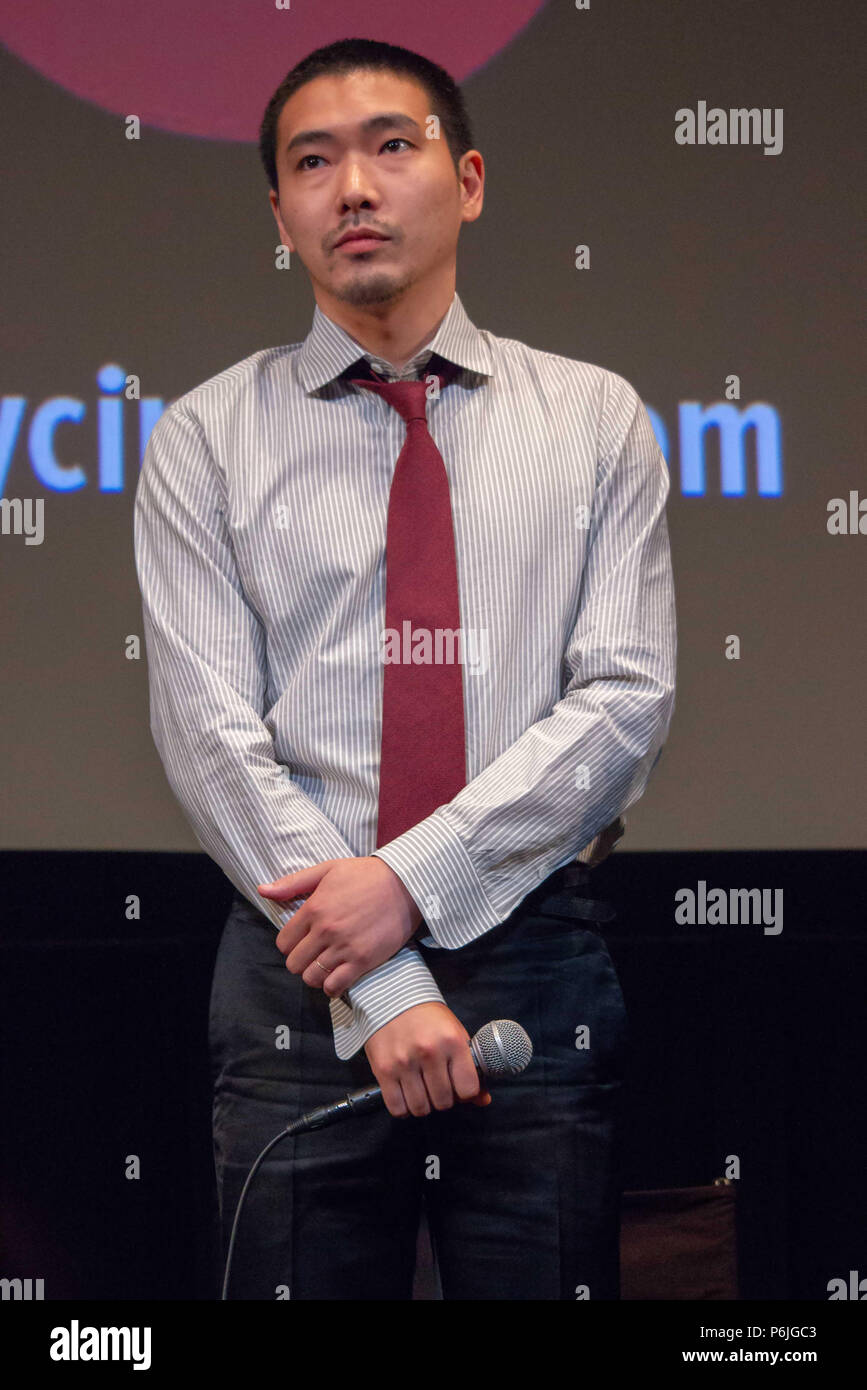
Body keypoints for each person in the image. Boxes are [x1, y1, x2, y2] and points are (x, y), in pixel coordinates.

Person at [133, 37, 676, 1300]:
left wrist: (410, 885)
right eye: (312, 163)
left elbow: (627, 698)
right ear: (279, 214)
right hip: (299, 955)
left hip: (535, 941)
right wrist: (378, 969)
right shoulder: (204, 438)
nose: (354, 189)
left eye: (393, 145)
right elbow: (213, 738)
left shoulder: (594, 418)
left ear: (469, 179)